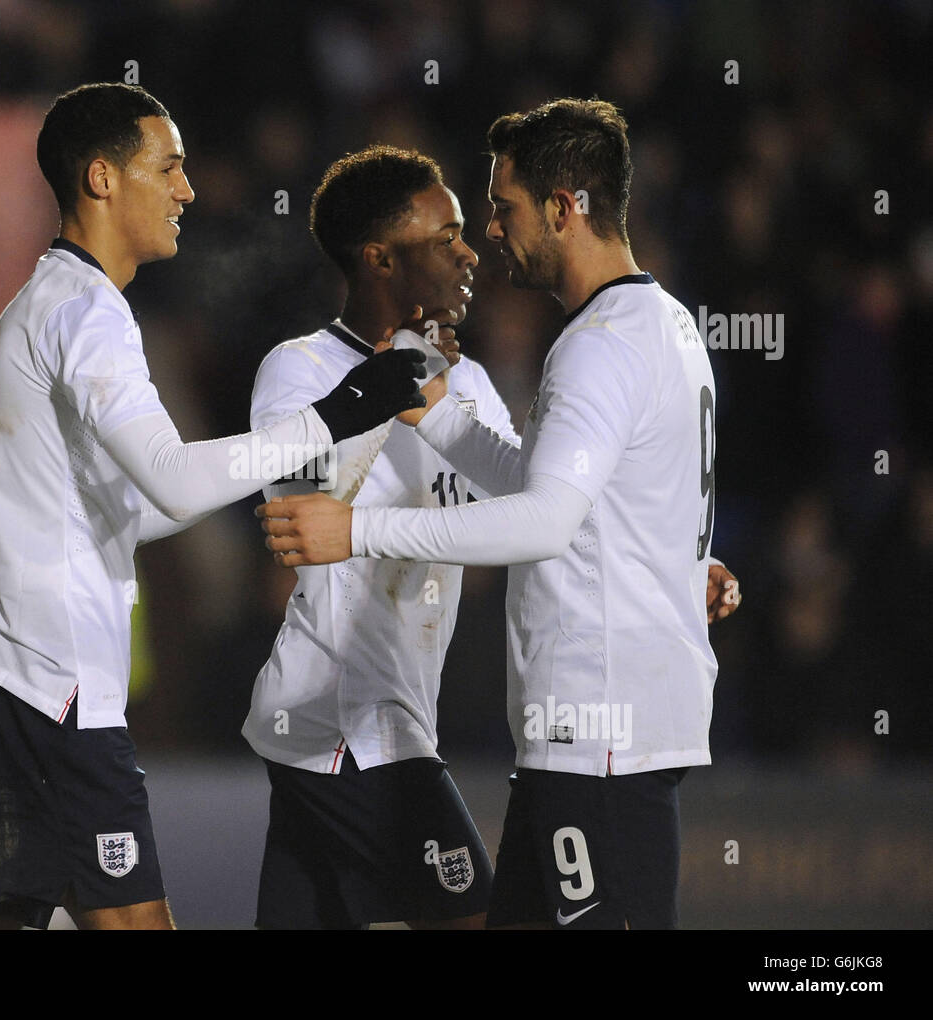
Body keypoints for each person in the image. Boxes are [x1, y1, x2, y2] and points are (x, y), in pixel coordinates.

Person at [0, 82, 428, 931]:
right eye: (168, 167)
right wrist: (341, 412)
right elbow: (175, 480)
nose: (187, 191)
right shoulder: (87, 314)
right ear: (102, 179)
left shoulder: (52, 305)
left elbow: (141, 505)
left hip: (0, 680)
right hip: (49, 693)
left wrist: (267, 502)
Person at [257, 98, 740, 929]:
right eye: (453, 228)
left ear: (563, 209)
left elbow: (544, 518)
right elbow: (570, 492)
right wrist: (435, 414)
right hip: (517, 738)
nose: (485, 234)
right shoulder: (659, 323)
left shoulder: (597, 345)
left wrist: (360, 528)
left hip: (598, 741)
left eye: (500, 208)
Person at [245, 145, 516, 929]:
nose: (471, 251)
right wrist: (397, 378)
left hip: (376, 715)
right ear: (380, 260)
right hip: (344, 717)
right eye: (446, 236)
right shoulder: (297, 371)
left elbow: (526, 512)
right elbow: (305, 519)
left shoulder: (467, 381)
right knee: (472, 915)